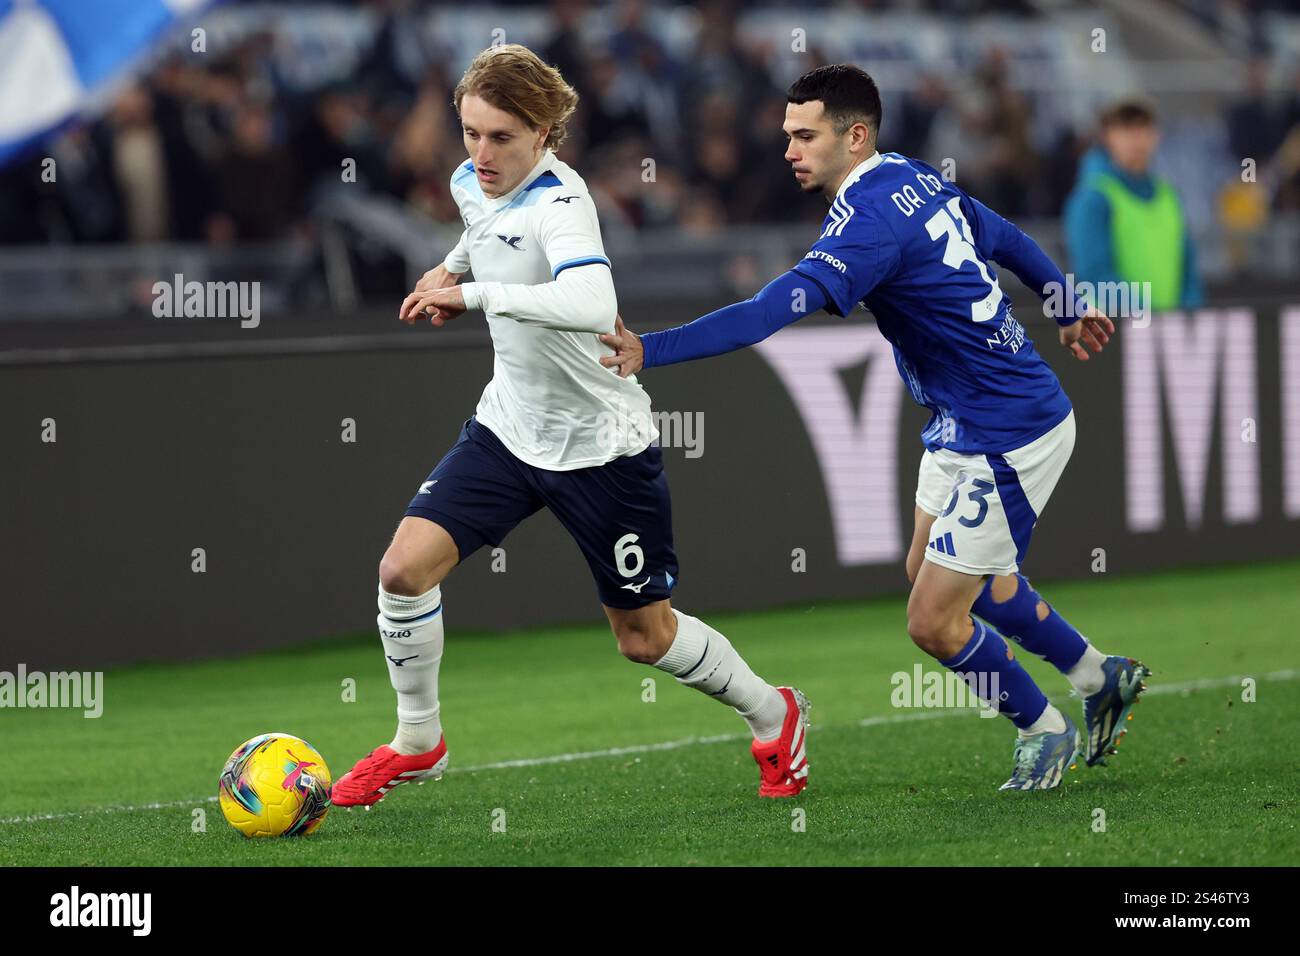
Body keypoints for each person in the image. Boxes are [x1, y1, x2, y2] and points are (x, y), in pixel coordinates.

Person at [599, 64, 1148, 791]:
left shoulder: (868, 224)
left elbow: (769, 311)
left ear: (854, 137)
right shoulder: (909, 177)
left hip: (1011, 429)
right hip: (965, 417)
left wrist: (651, 350)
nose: (789, 149)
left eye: (805, 135)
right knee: (937, 577)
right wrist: (1066, 301)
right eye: (787, 134)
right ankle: (1097, 674)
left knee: (931, 621)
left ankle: (1043, 730)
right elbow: (1001, 234)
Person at [331, 45, 809, 808]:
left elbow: (590, 305)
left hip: (600, 447)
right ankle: (418, 740)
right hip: (509, 428)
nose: (480, 155)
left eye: (501, 138)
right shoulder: (470, 181)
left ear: (545, 136)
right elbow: (484, 227)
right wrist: (452, 267)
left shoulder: (563, 205)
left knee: (643, 638)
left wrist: (475, 295)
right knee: (401, 570)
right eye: (470, 132)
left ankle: (774, 713)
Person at [1064, 97, 1204, 312]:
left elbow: (1187, 268)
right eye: (1126, 128)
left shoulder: (1169, 196)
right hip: (1110, 334)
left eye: (1143, 127)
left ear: (1156, 135)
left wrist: (1187, 317)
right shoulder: (1092, 198)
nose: (1136, 137)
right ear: (1108, 136)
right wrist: (1152, 318)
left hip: (1161, 336)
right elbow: (1095, 275)